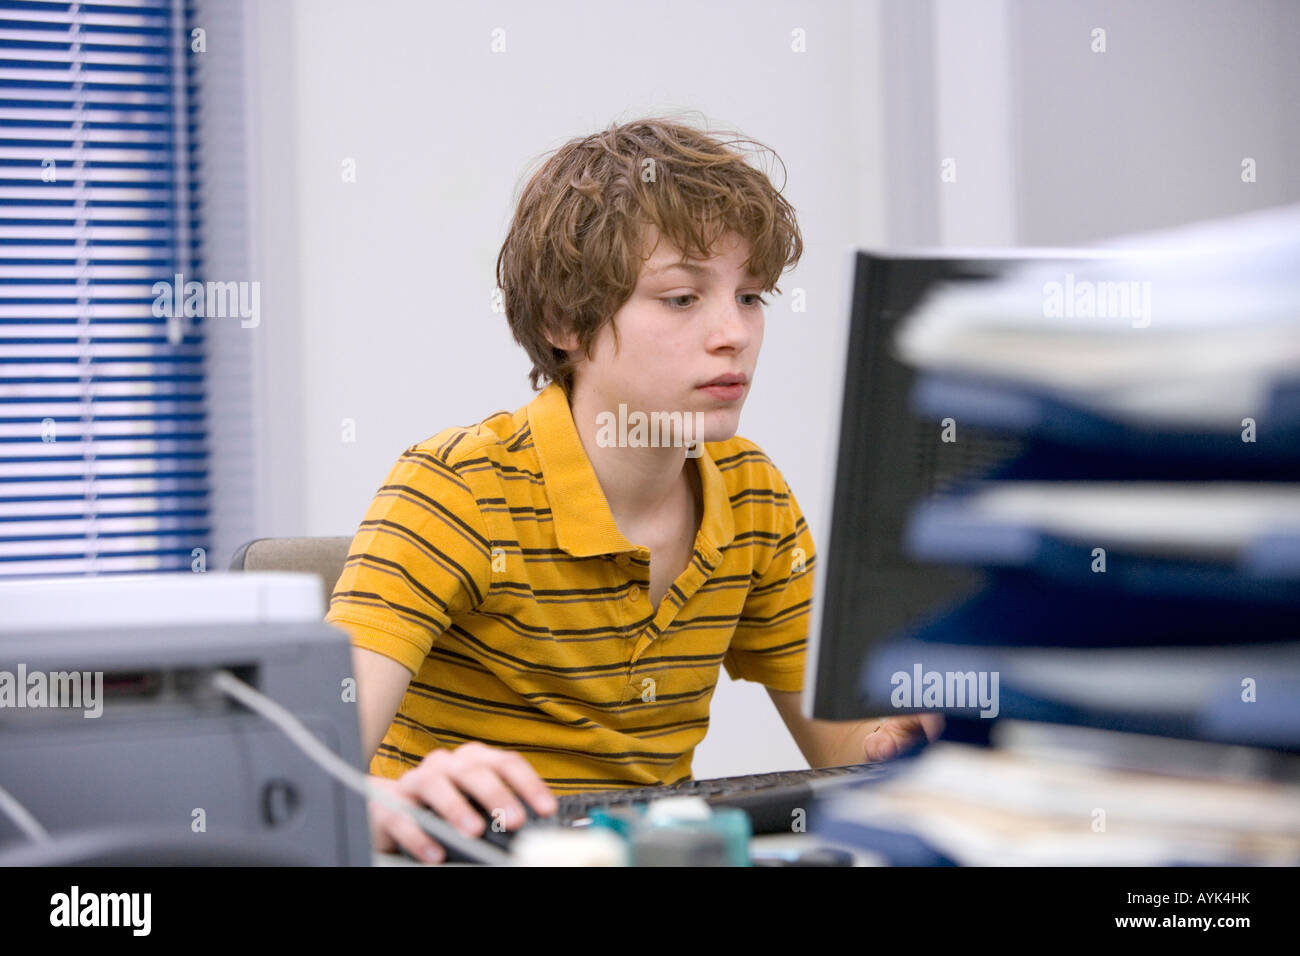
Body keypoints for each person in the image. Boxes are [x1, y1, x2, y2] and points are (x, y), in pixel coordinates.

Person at [325, 116, 941, 862]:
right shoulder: (456, 488)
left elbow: (842, 745)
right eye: (682, 298)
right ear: (564, 320)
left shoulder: (751, 496)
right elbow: (307, 767)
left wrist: (900, 738)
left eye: (750, 297)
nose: (734, 333)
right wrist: (387, 799)